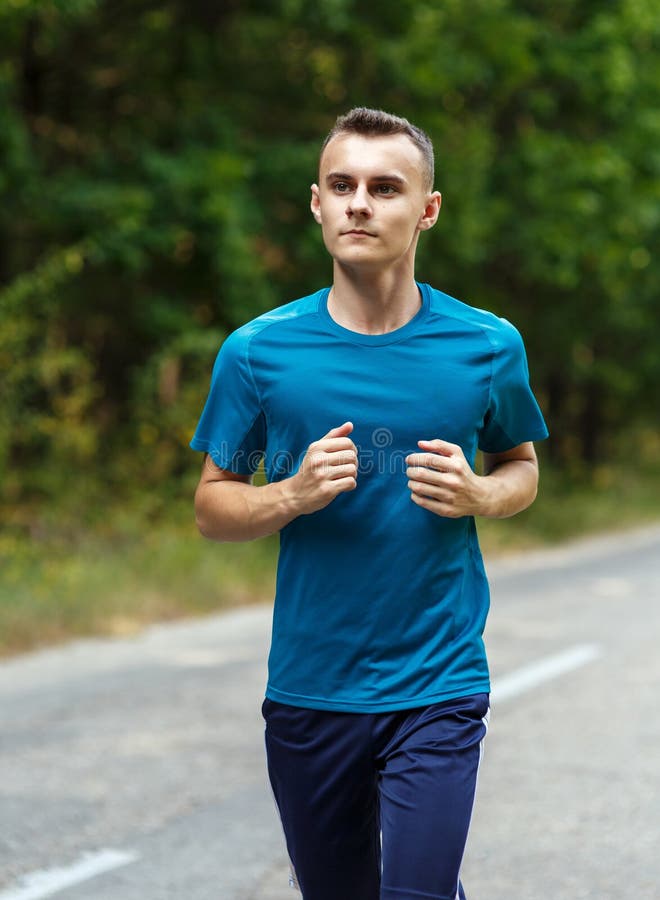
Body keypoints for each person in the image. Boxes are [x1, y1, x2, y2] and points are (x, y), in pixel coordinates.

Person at [190, 107, 549, 900]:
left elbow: (520, 466)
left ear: (426, 209)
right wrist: (288, 494)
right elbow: (213, 506)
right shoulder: (257, 352)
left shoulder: (486, 345)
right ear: (316, 202)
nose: (360, 203)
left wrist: (480, 494)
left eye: (385, 187)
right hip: (311, 689)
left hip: (439, 682)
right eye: (341, 185)